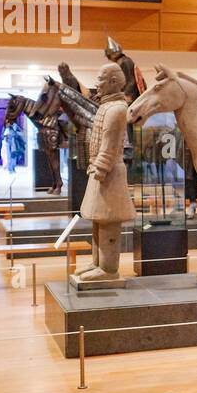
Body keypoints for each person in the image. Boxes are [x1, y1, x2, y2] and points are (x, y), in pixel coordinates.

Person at [75, 63, 134, 283]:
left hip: (109, 172)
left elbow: (110, 143)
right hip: (100, 170)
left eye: (100, 78)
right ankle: (97, 262)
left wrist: (100, 167)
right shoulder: (106, 106)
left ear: (113, 82)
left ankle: (109, 269)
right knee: (98, 220)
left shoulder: (117, 109)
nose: (96, 83)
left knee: (109, 221)